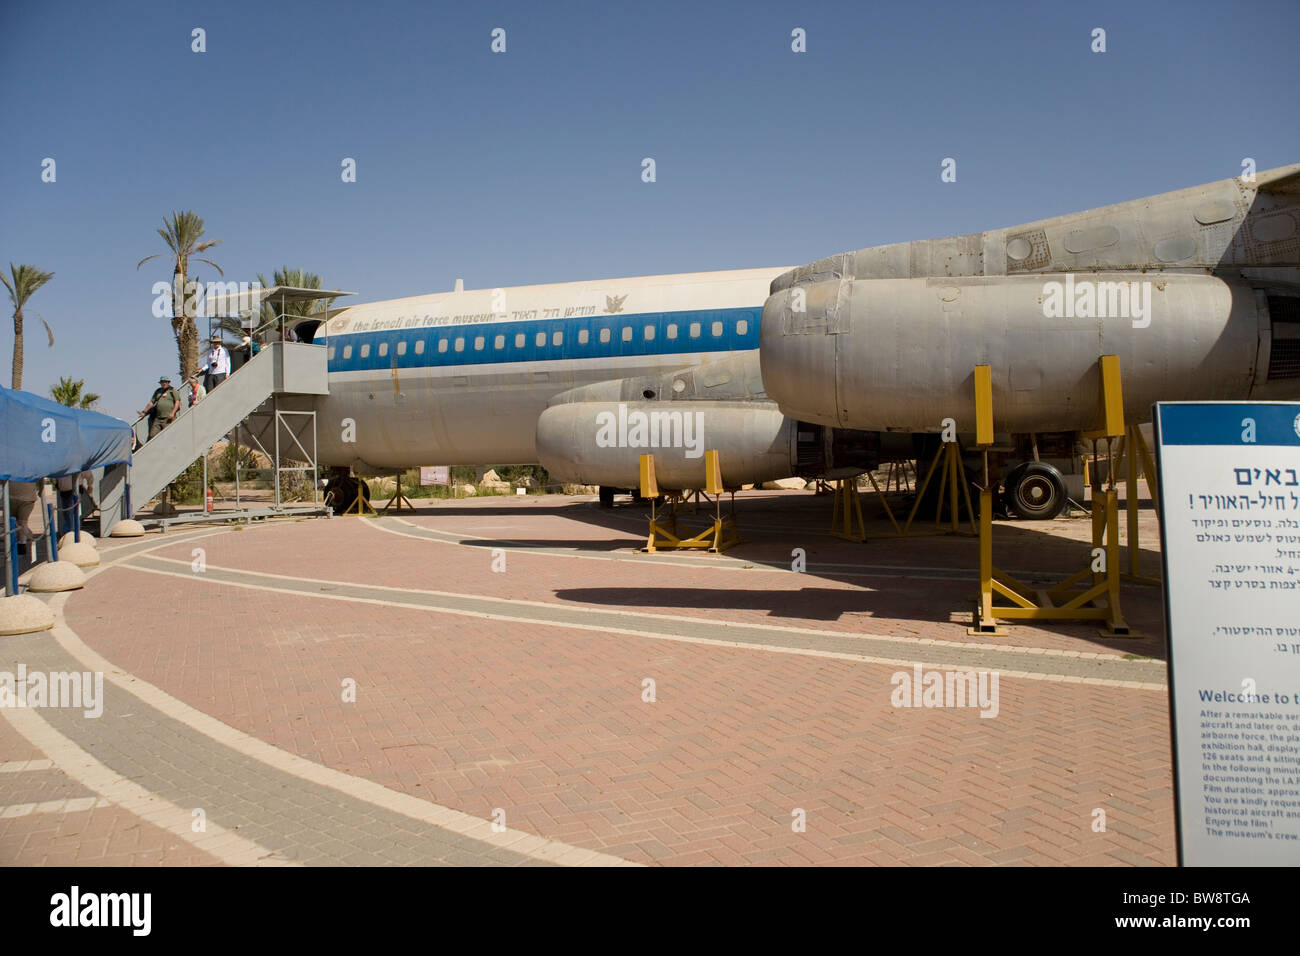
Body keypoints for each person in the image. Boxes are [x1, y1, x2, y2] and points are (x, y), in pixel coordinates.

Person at [140, 375, 181, 440]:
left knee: (169, 435)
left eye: (165, 382)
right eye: (162, 382)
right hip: (158, 418)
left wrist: (173, 413)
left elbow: (177, 402)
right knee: (152, 435)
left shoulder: (173, 391)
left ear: (168, 382)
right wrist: (144, 412)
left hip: (168, 418)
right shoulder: (158, 391)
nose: (164, 383)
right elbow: (151, 402)